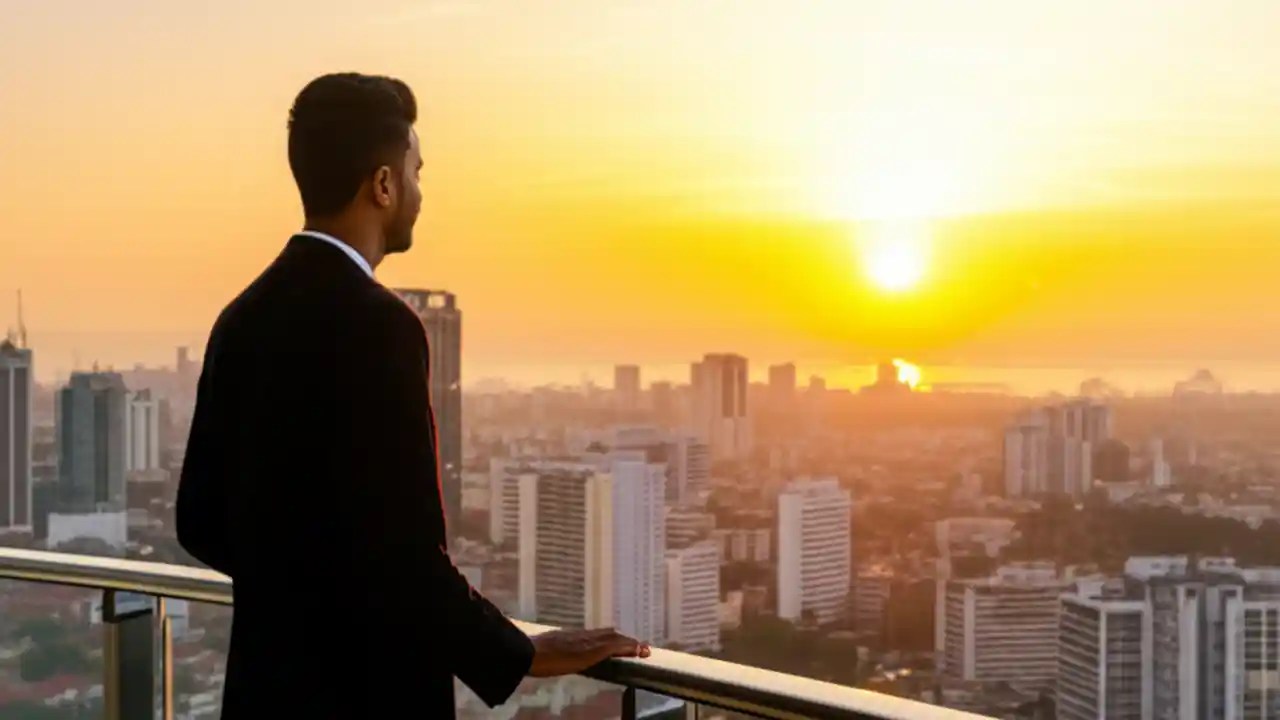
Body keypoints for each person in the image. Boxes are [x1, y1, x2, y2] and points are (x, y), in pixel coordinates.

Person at [176, 72, 649, 718]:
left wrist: (297, 587)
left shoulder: (241, 317)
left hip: (265, 693)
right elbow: (404, 554)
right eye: (417, 171)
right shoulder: (380, 326)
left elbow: (198, 522)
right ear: (383, 184)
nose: (422, 193)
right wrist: (522, 653)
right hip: (368, 696)